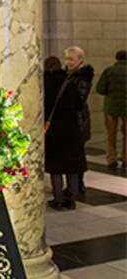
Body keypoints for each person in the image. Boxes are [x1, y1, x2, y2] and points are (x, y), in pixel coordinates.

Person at [44, 54, 90, 209]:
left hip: (53, 130)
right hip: (71, 129)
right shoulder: (68, 83)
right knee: (72, 167)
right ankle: (71, 199)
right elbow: (79, 104)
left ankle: (57, 199)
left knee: (56, 168)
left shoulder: (43, 83)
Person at [98, 49, 127, 170]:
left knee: (111, 134)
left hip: (111, 107)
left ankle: (112, 159)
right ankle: (126, 159)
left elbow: (100, 89)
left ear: (116, 59)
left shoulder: (109, 71)